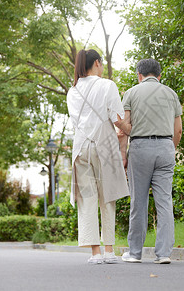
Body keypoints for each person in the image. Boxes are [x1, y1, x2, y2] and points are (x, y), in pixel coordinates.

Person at [67, 49, 130, 264]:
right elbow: (117, 117)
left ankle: (95, 253)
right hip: (105, 144)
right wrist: (125, 129)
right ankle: (110, 251)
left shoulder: (72, 91)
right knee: (108, 196)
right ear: (97, 63)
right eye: (101, 64)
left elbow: (77, 123)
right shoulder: (107, 85)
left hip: (81, 147)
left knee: (87, 198)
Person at [119, 58, 182, 264]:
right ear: (159, 75)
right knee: (164, 202)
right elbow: (178, 130)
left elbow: (125, 128)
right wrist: (169, 149)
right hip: (166, 147)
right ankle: (164, 254)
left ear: (139, 75)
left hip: (140, 148)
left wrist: (123, 152)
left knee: (138, 202)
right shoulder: (172, 94)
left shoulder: (131, 93)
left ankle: (135, 253)